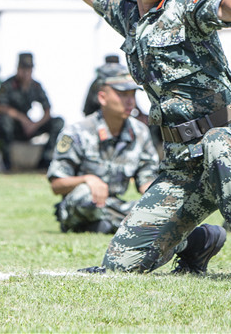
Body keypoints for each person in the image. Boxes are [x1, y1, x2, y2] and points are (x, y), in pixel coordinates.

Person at [61, 0, 231, 283]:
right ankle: (199, 242)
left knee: (217, 141)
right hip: (183, 163)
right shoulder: (129, 15)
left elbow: (224, 5)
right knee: (121, 263)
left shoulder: (187, 5)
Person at [48, 65, 160, 234]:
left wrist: (159, 203)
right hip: (82, 206)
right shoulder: (76, 132)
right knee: (85, 195)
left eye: (132, 94)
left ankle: (109, 224)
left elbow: (146, 180)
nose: (130, 101)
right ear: (102, 97)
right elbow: (57, 184)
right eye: (122, 94)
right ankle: (130, 223)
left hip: (114, 204)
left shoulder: (140, 132)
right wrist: (87, 179)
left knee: (154, 207)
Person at [0, 52, 64, 171]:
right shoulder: (8, 85)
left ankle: (45, 161)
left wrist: (34, 125)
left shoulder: (36, 86)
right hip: (15, 126)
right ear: (18, 69)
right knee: (4, 121)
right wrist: (23, 119)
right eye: (23, 69)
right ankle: (7, 162)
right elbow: (2, 107)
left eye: (29, 69)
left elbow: (47, 110)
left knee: (58, 122)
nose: (26, 73)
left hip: (30, 128)